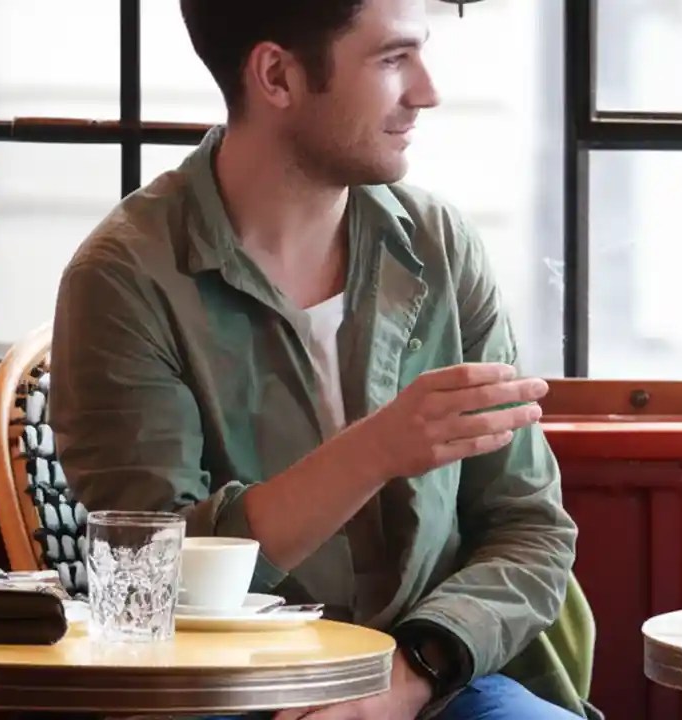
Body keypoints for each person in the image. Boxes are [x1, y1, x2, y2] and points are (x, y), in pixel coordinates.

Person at [47, 1, 592, 718]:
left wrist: (409, 674)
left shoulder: (439, 245)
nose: (427, 90)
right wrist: (373, 452)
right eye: (393, 59)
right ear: (277, 75)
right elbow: (154, 574)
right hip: (228, 690)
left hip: (431, 673)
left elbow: (530, 527)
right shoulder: (125, 279)